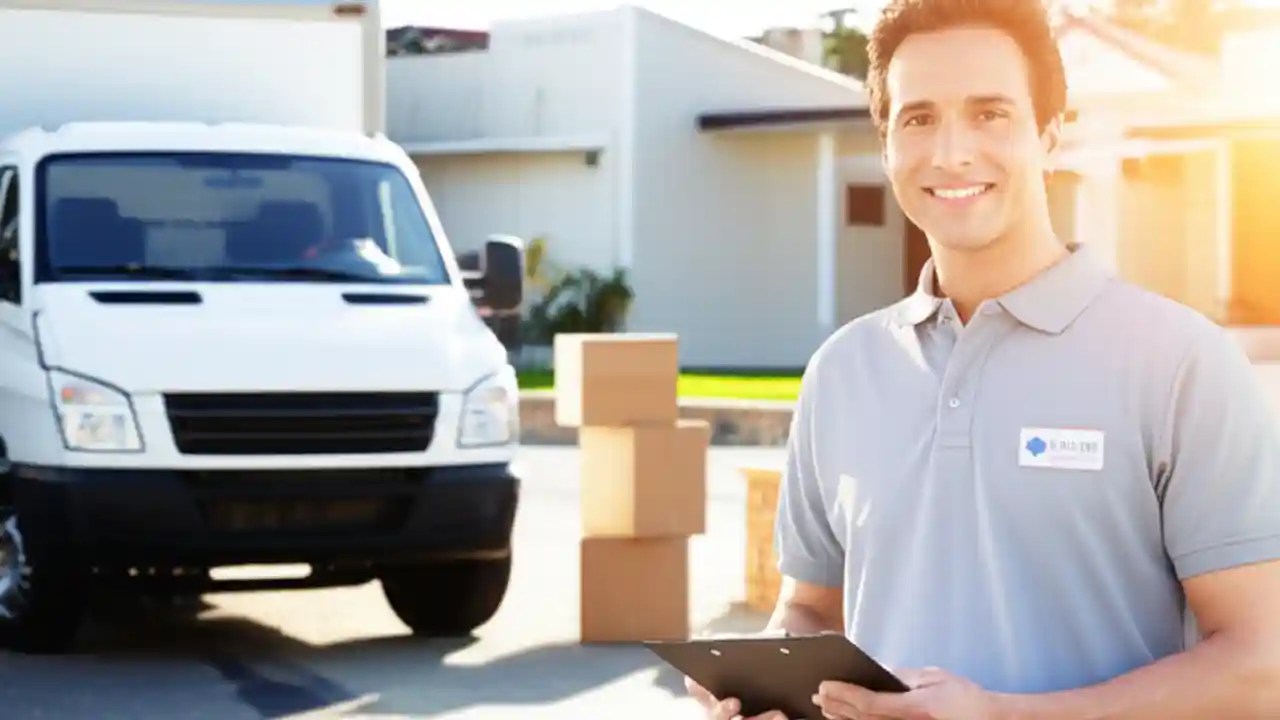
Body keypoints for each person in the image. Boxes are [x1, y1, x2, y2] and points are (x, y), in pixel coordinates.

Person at [687, 0, 1280, 717]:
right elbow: (809, 612)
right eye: (918, 119)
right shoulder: (842, 372)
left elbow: (1259, 666)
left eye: (990, 114)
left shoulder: (1182, 364)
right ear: (886, 147)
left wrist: (1001, 714)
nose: (951, 152)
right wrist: (765, 683)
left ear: (1049, 137)